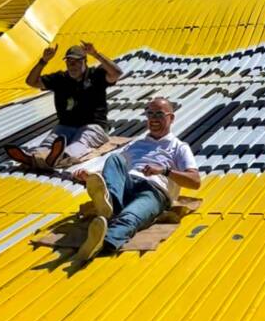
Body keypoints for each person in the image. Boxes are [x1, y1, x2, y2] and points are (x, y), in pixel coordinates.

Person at [72, 96, 201, 261]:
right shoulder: (136, 144)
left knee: (130, 217)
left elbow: (195, 181)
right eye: (150, 114)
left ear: (171, 118)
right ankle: (110, 203)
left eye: (159, 114)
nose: (153, 118)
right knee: (114, 159)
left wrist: (165, 171)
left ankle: (101, 242)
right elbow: (113, 171)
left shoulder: (179, 147)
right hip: (127, 184)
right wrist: (88, 177)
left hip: (153, 191)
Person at [5, 42, 122, 169]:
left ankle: (60, 157)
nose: (72, 65)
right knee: (50, 142)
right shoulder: (61, 78)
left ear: (85, 61)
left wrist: (95, 54)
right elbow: (31, 82)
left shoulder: (96, 75)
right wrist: (43, 61)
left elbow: (116, 73)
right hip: (66, 125)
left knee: (81, 142)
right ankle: (35, 157)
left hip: (93, 125)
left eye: (76, 61)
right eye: (69, 62)